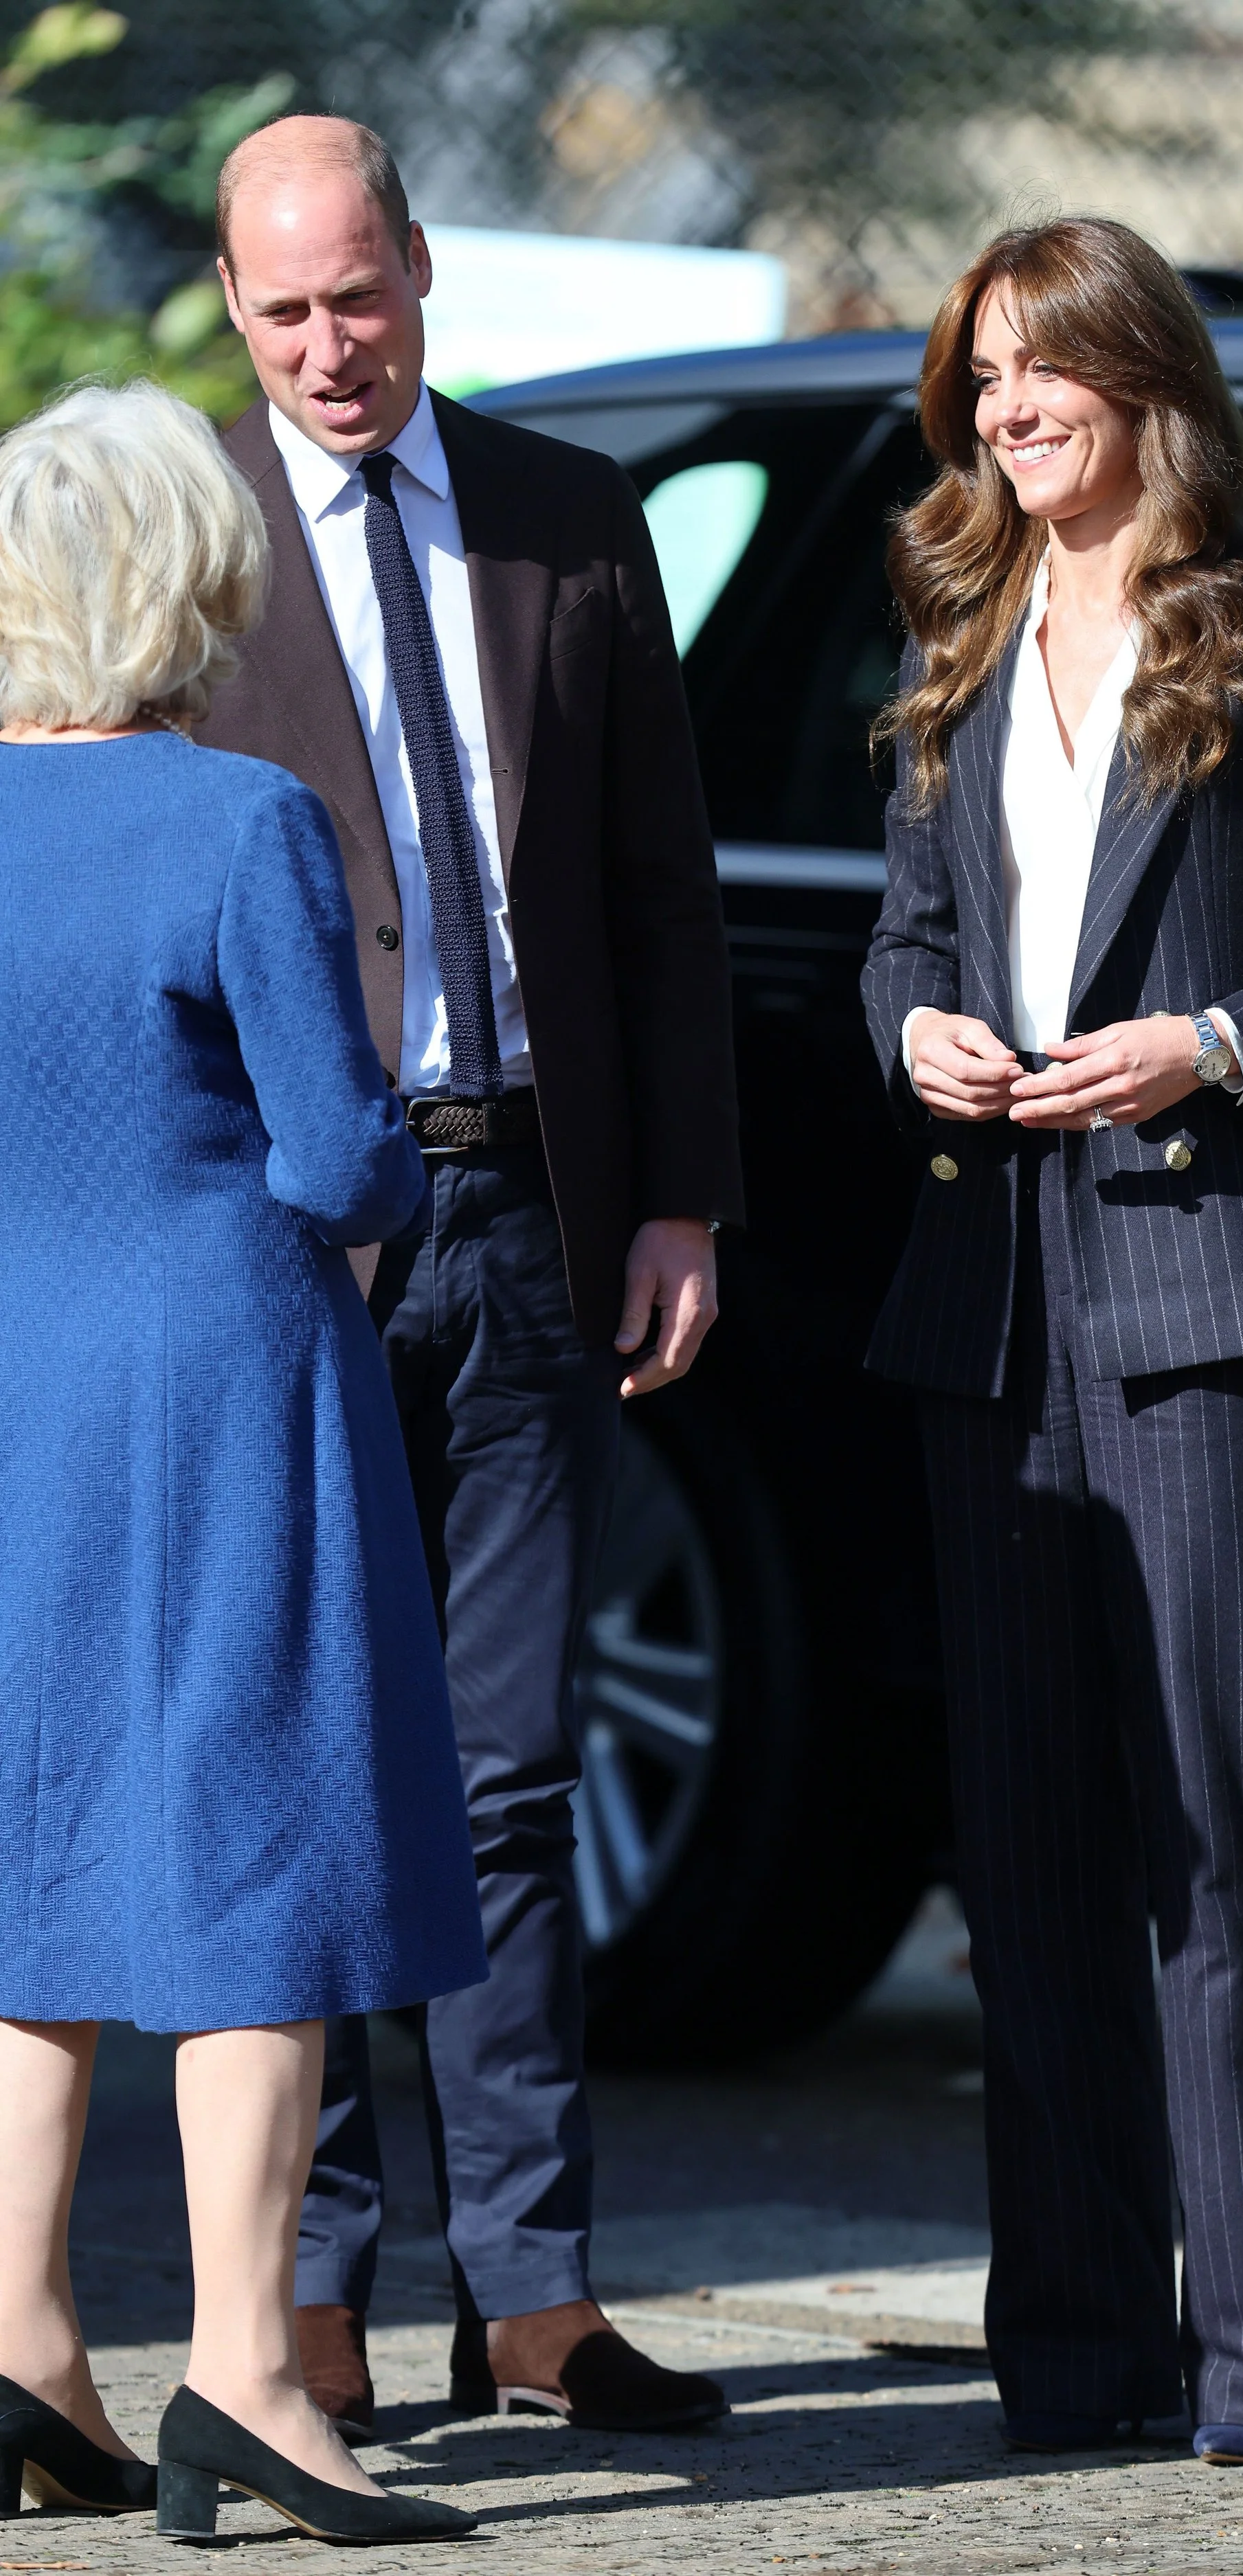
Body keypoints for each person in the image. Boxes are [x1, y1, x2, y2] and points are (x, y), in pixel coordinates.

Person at [862, 218, 1243, 2464]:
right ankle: (1079, 2360)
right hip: (992, 1299)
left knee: (1226, 1849)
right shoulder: (955, 614)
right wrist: (908, 1022)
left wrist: (1210, 1041)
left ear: (1143, 383)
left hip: (1212, 1290)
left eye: (1043, 373)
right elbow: (903, 935)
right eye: (981, 377)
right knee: (1022, 1871)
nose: (1004, 411)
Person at [199, 114, 745, 2438]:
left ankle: (529, 2286)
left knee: (514, 1771)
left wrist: (677, 1196)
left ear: (425, 270)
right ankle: (300, 2299)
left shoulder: (564, 516)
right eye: (284, 311)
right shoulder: (188, 550)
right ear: (233, 313)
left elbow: (660, 888)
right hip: (285, 1236)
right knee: (306, 1772)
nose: (333, 347)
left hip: (534, 1213)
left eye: (364, 295)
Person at [0, 381, 486, 2544]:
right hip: (221, 1379)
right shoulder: (238, 820)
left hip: (15, 1384)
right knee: (253, 1863)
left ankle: (19, 2346)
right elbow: (342, 1147)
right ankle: (249, 2377)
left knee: (33, 1866)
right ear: (188, 575)